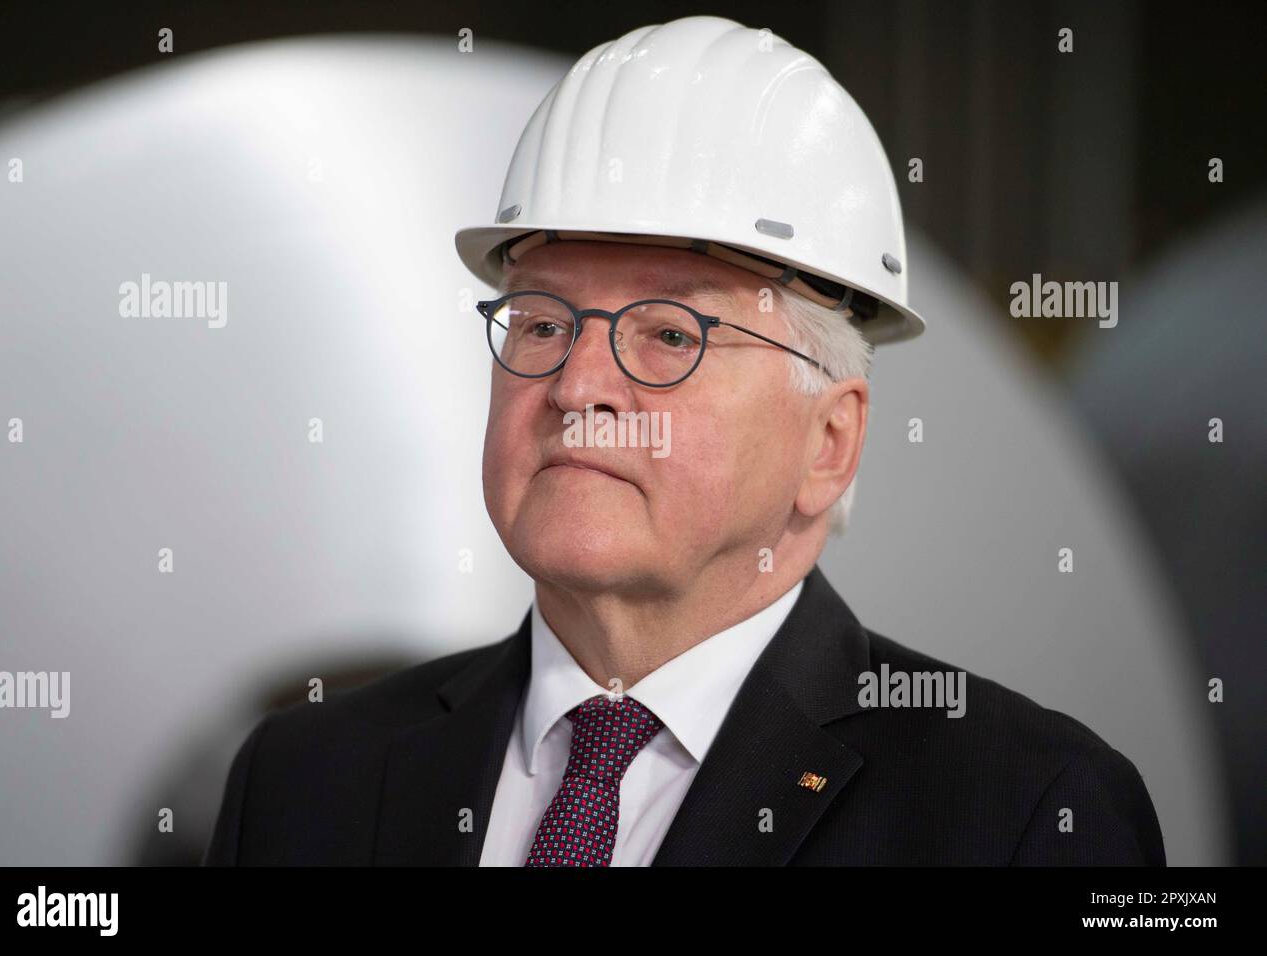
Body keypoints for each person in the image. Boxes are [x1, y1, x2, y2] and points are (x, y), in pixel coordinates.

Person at [203, 15, 1164, 866]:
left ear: (829, 443)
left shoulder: (1024, 816)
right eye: (542, 322)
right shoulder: (303, 780)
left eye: (671, 334)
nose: (577, 386)